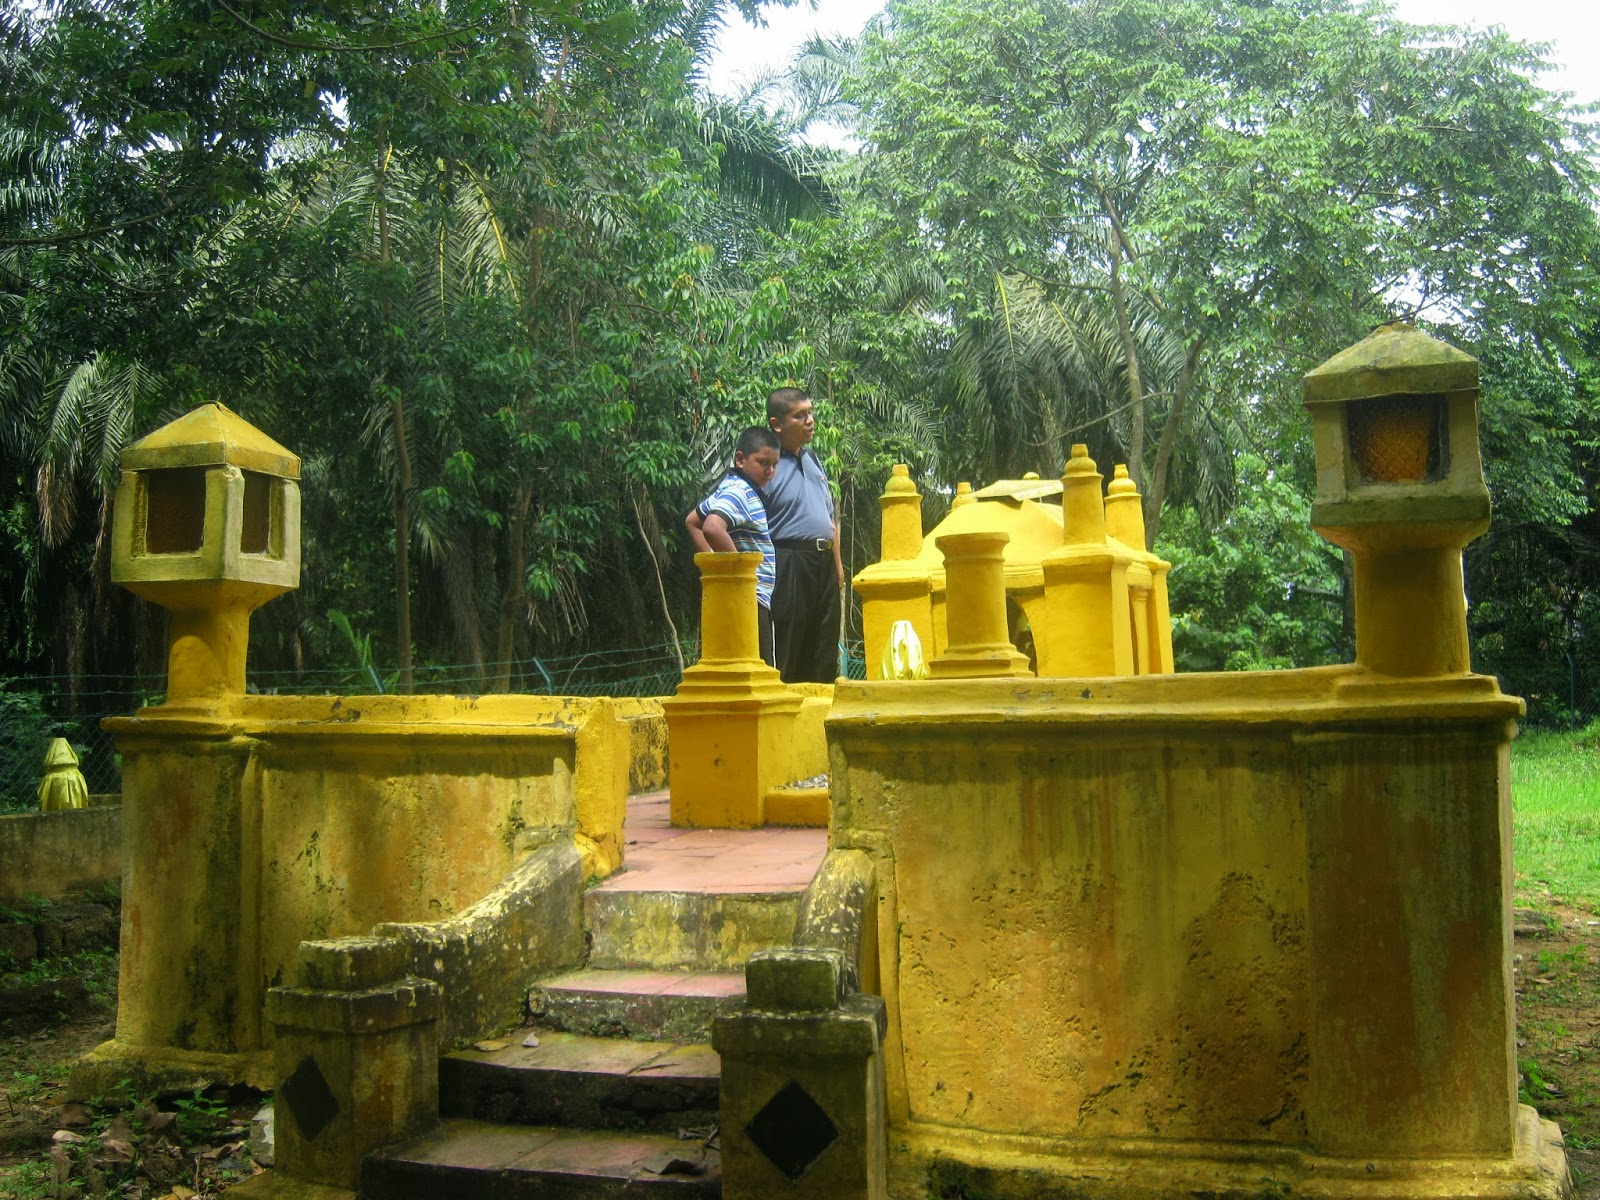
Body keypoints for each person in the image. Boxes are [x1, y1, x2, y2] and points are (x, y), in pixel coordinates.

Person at [764, 387, 843, 683]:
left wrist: (837, 569)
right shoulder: (766, 465)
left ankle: (819, 720)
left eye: (810, 412)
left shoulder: (813, 460)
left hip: (823, 565)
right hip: (788, 562)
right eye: (800, 415)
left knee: (824, 648)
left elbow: (829, 519)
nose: (810, 420)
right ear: (777, 424)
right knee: (789, 645)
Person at [685, 426, 782, 667]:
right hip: (752, 598)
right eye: (763, 463)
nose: (770, 471)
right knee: (760, 670)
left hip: (750, 597)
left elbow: (692, 521)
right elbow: (712, 527)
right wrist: (739, 576)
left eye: (774, 465)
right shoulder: (739, 491)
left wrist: (716, 566)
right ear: (740, 459)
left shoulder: (731, 487)